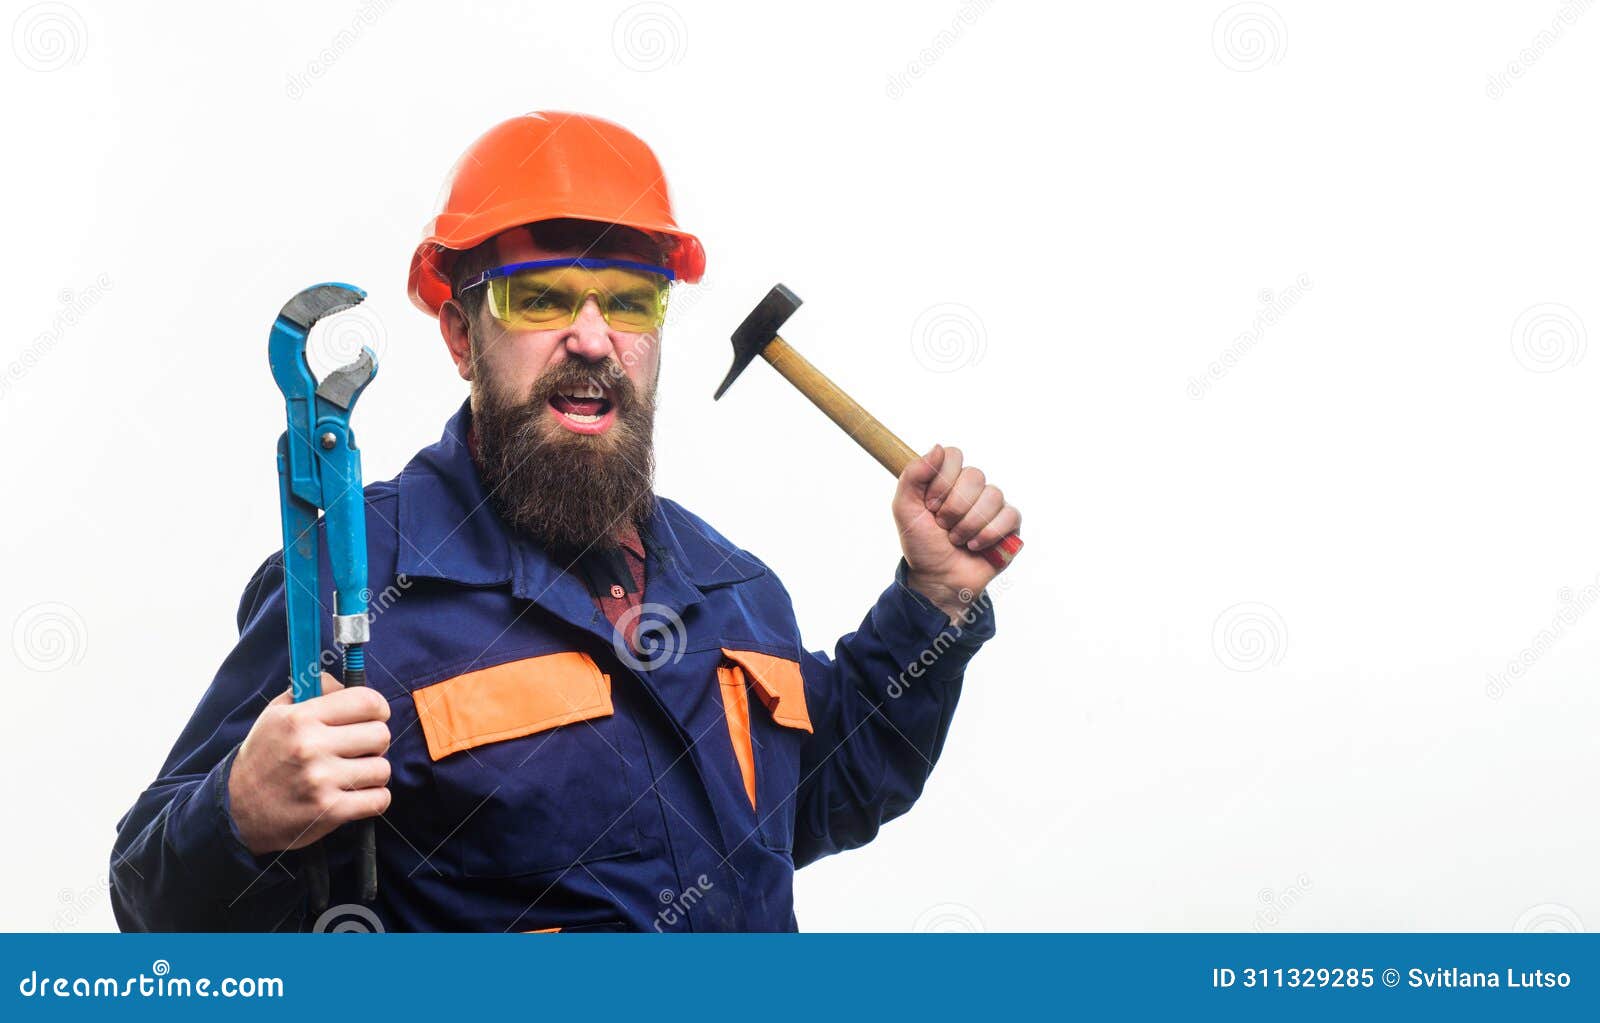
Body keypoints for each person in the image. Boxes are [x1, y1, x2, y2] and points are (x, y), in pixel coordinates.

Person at [110, 111, 1022, 931]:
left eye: (630, 301)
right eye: (540, 297)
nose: (592, 337)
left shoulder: (732, 587)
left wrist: (932, 604)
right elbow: (150, 898)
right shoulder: (359, 573)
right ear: (463, 337)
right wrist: (236, 811)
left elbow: (823, 797)